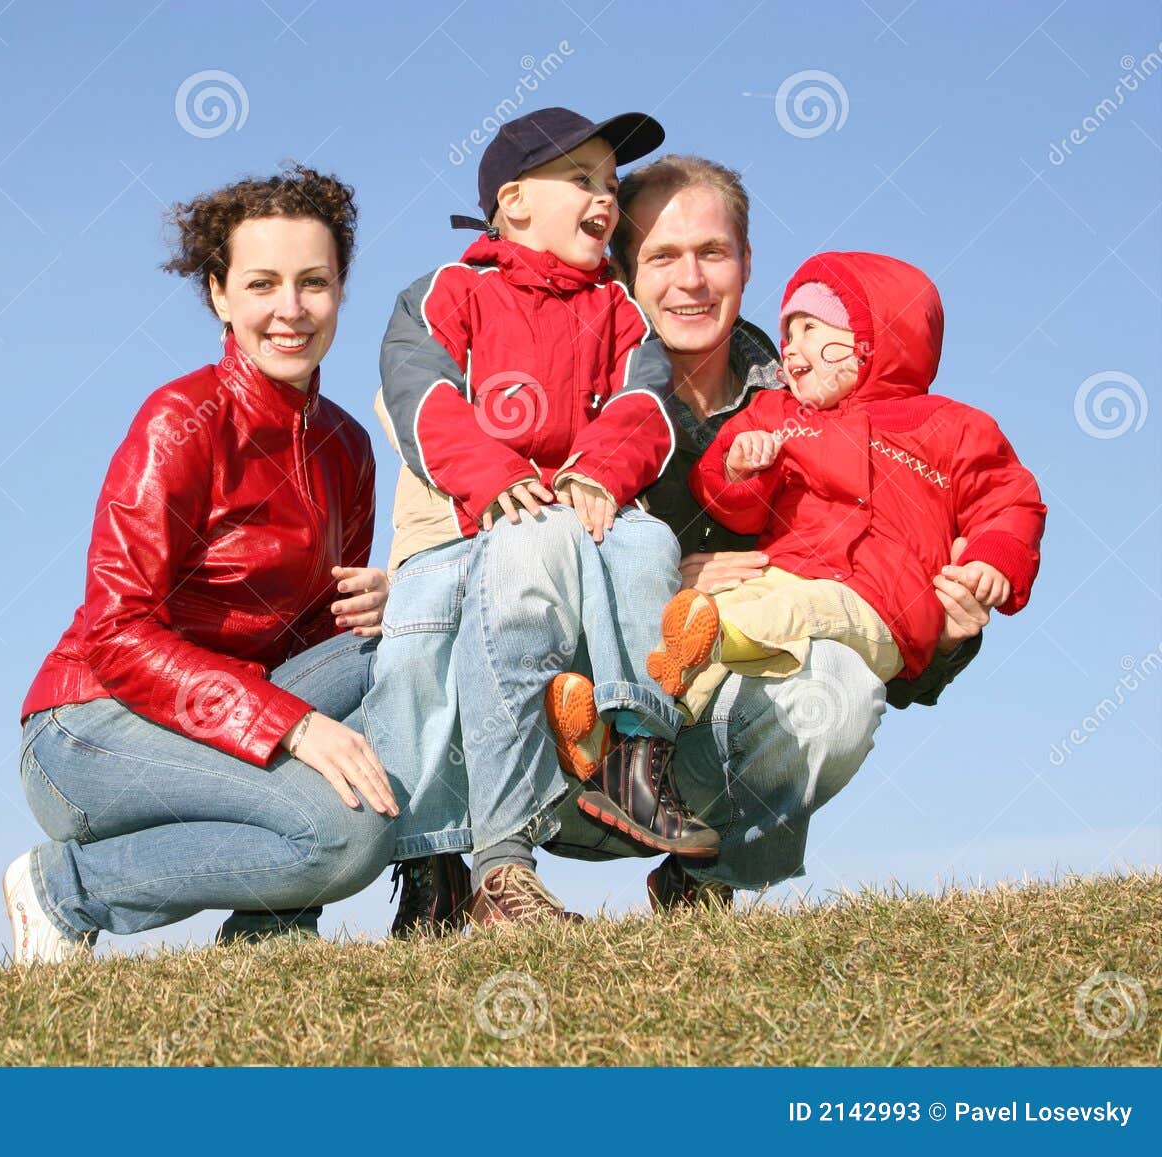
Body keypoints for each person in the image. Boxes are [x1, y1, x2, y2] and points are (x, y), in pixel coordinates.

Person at [388, 156, 996, 926]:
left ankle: (705, 880)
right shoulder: (563, 397)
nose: (691, 280)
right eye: (661, 257)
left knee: (841, 688)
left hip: (699, 749)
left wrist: (946, 636)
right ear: (619, 270)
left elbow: (874, 586)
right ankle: (477, 873)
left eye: (713, 252)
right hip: (558, 737)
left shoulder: (805, 406)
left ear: (746, 263)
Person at [2, 166, 398, 964]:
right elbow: (117, 633)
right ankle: (65, 888)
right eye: (262, 283)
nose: (290, 310)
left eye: (313, 283)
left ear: (340, 291)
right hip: (90, 727)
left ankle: (272, 928)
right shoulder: (179, 421)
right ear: (219, 293)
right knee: (348, 835)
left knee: (410, 637)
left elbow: (319, 638)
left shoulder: (349, 447)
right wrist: (287, 721)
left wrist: (386, 607)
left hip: (226, 716)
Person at [371, 107, 716, 927]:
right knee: (415, 652)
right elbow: (421, 392)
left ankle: (632, 752)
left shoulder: (618, 308)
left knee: (646, 544)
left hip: (574, 520)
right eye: (584, 180)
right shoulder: (448, 292)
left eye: (610, 185)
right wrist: (490, 475)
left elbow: (643, 403)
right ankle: (433, 868)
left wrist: (600, 471)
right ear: (515, 202)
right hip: (467, 525)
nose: (606, 199)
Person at [647, 252, 1046, 723]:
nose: (791, 349)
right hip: (783, 572)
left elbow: (1007, 498)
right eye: (788, 335)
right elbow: (737, 510)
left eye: (810, 330)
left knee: (790, 613)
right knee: (702, 618)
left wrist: (991, 559)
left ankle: (702, 658)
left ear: (871, 341)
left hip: (884, 602)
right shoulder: (780, 417)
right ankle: (644, 724)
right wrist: (740, 469)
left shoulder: (953, 427)